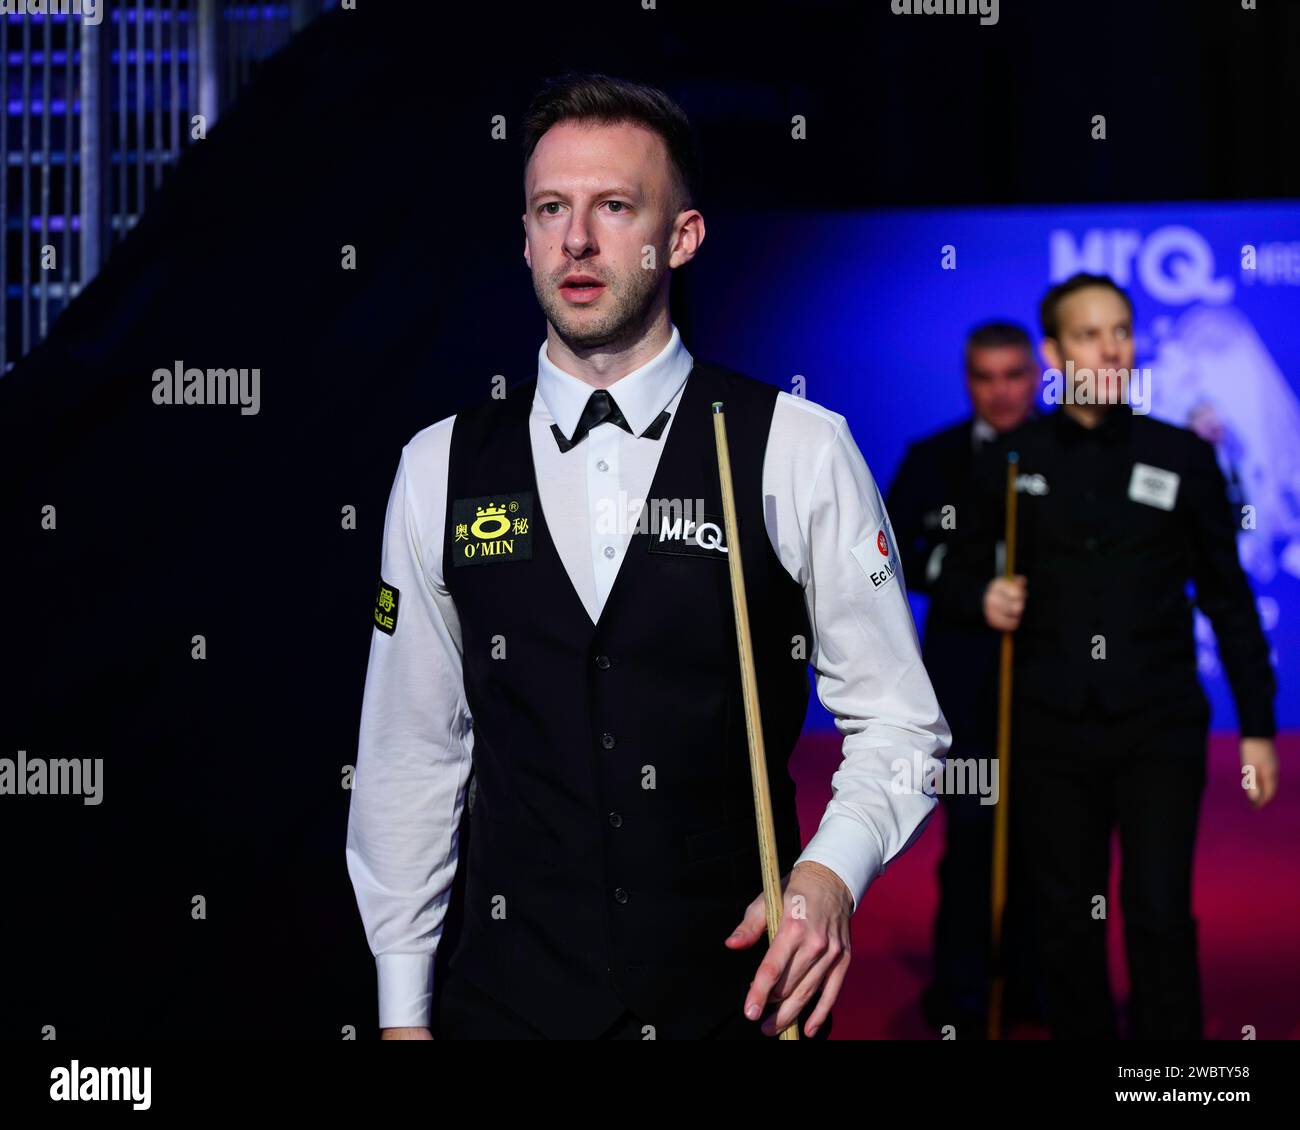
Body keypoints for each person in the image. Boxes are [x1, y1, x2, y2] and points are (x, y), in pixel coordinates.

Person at [344, 71, 951, 1041]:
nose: (577, 239)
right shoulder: (437, 466)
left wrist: (830, 874)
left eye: (614, 207)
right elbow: (408, 755)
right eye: (551, 209)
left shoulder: (792, 442)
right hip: (506, 1000)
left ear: (681, 237)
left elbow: (899, 724)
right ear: (527, 237)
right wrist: (402, 1007)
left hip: (735, 998)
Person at [937, 272, 1279, 1039]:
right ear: (1055, 352)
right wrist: (983, 594)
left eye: (1121, 330)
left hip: (1159, 727)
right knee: (1064, 915)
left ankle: (1173, 1077)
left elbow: (1227, 596)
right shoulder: (1012, 460)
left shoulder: (1184, 456)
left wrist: (1258, 725)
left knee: (1159, 910)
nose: (1112, 347)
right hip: (1049, 730)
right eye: (1090, 334)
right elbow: (954, 568)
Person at [886, 320, 1043, 1036]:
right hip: (962, 690)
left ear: (1036, 372)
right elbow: (892, 557)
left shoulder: (1071, 453)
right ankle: (963, 995)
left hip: (1055, 691)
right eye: (987, 377)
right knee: (971, 839)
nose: (1002, 391)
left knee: (1049, 847)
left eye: (1015, 374)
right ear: (967, 378)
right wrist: (970, 590)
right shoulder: (932, 459)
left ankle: (1041, 985)